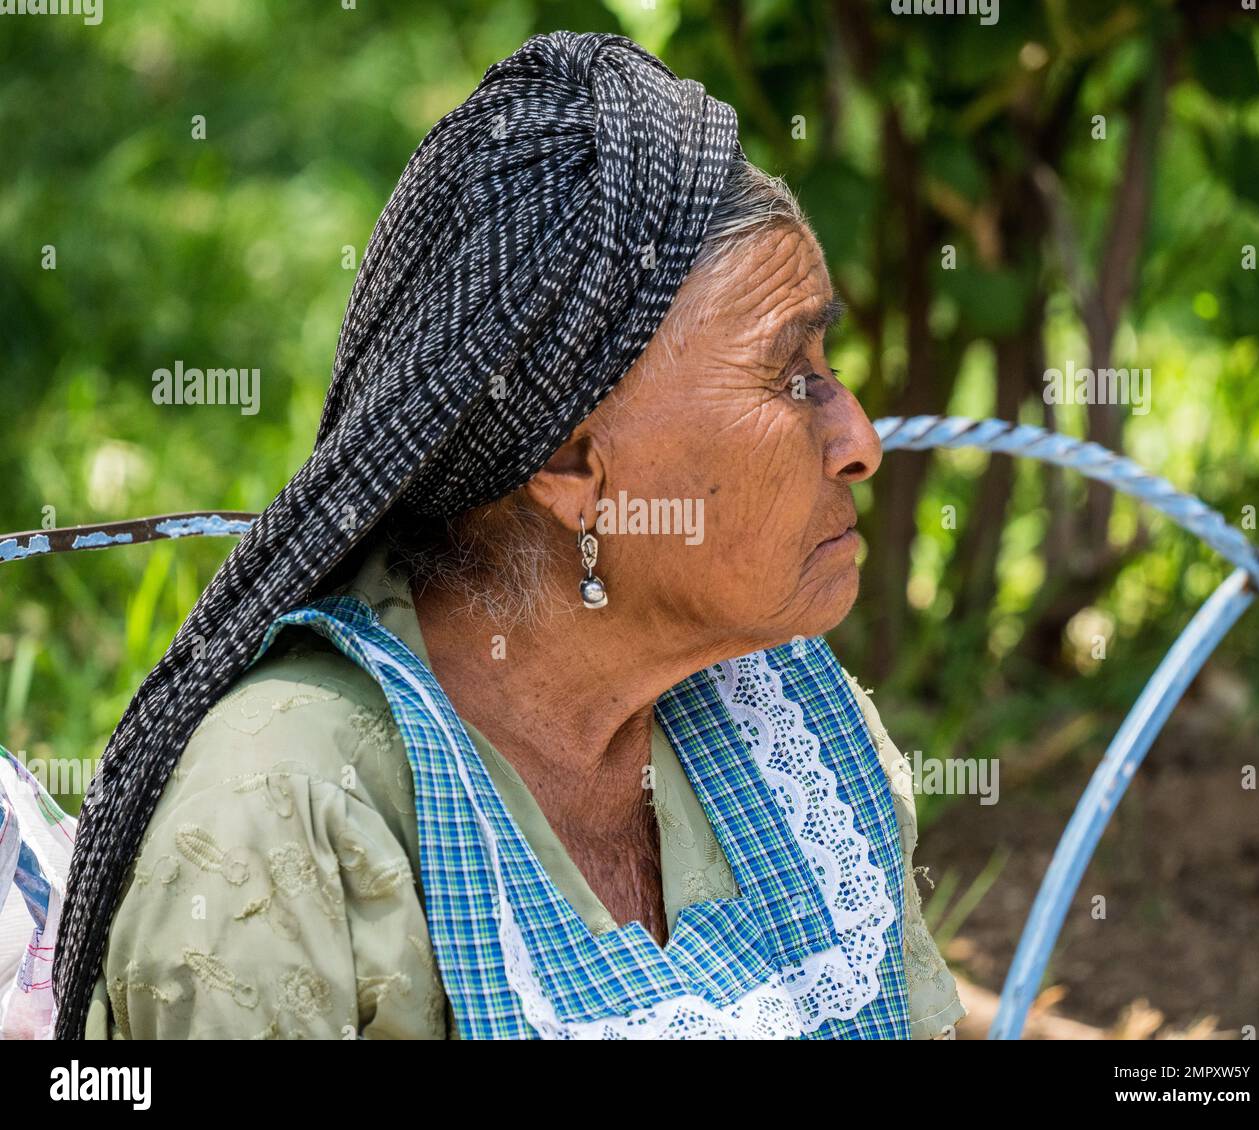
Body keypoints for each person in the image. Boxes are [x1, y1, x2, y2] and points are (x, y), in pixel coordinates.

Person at [58, 31, 965, 1040]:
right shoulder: (287, 820)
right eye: (790, 377)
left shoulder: (783, 721)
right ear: (573, 466)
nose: (858, 440)